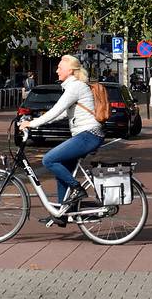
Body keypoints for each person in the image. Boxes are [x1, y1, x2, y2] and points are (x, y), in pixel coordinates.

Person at [18, 55, 104, 227]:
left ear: (70, 70)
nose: (57, 70)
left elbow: (56, 110)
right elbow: (63, 113)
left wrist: (32, 123)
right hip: (85, 135)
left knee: (48, 159)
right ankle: (63, 214)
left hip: (88, 135)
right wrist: (39, 120)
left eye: (60, 67)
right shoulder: (72, 87)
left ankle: (77, 189)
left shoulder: (75, 87)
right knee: (61, 170)